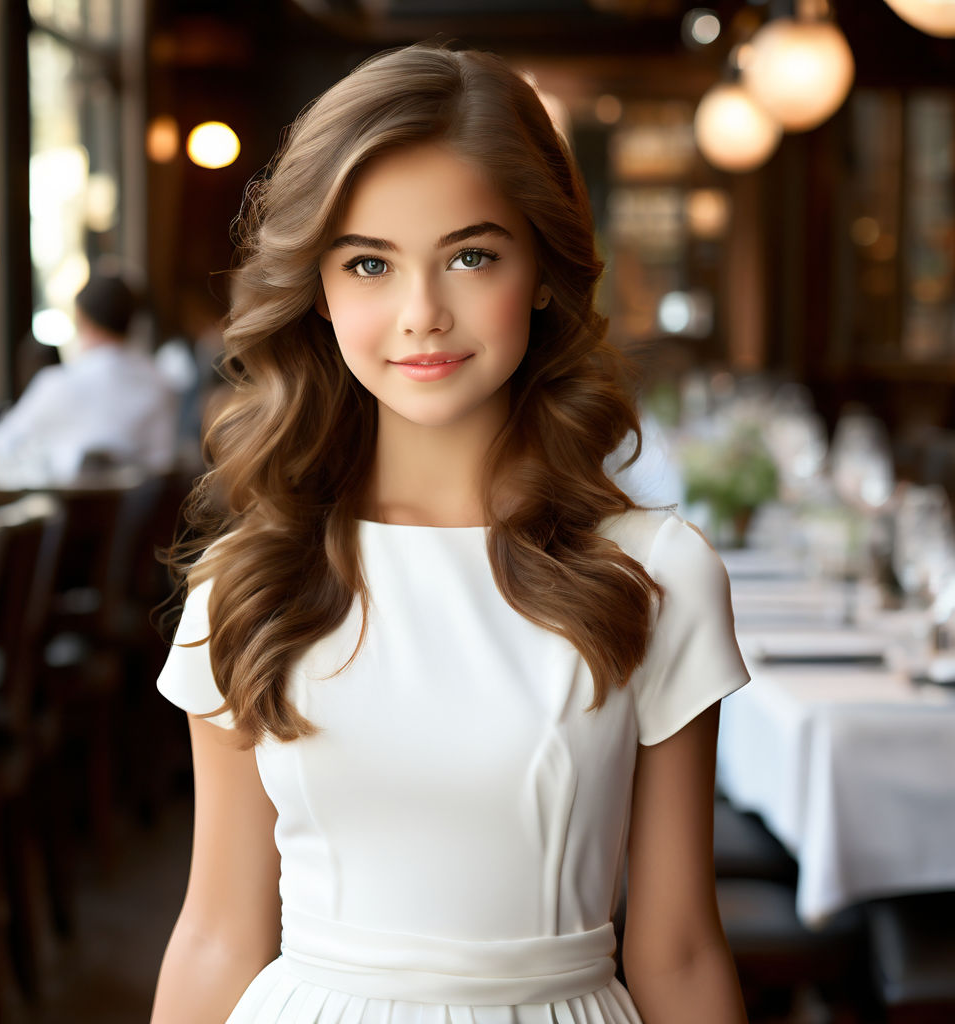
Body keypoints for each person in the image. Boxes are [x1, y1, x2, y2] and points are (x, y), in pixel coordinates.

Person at [152, 44, 750, 1024]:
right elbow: (218, 931)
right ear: (320, 287)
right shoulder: (249, 580)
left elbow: (678, 948)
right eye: (369, 263)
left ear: (543, 273)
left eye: (471, 256)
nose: (421, 313)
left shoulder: (653, 573)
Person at [0, 268, 178, 482]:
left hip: (64, 512)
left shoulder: (57, 384)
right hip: (143, 514)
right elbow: (163, 464)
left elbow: (1, 445)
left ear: (83, 319)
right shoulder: (161, 385)